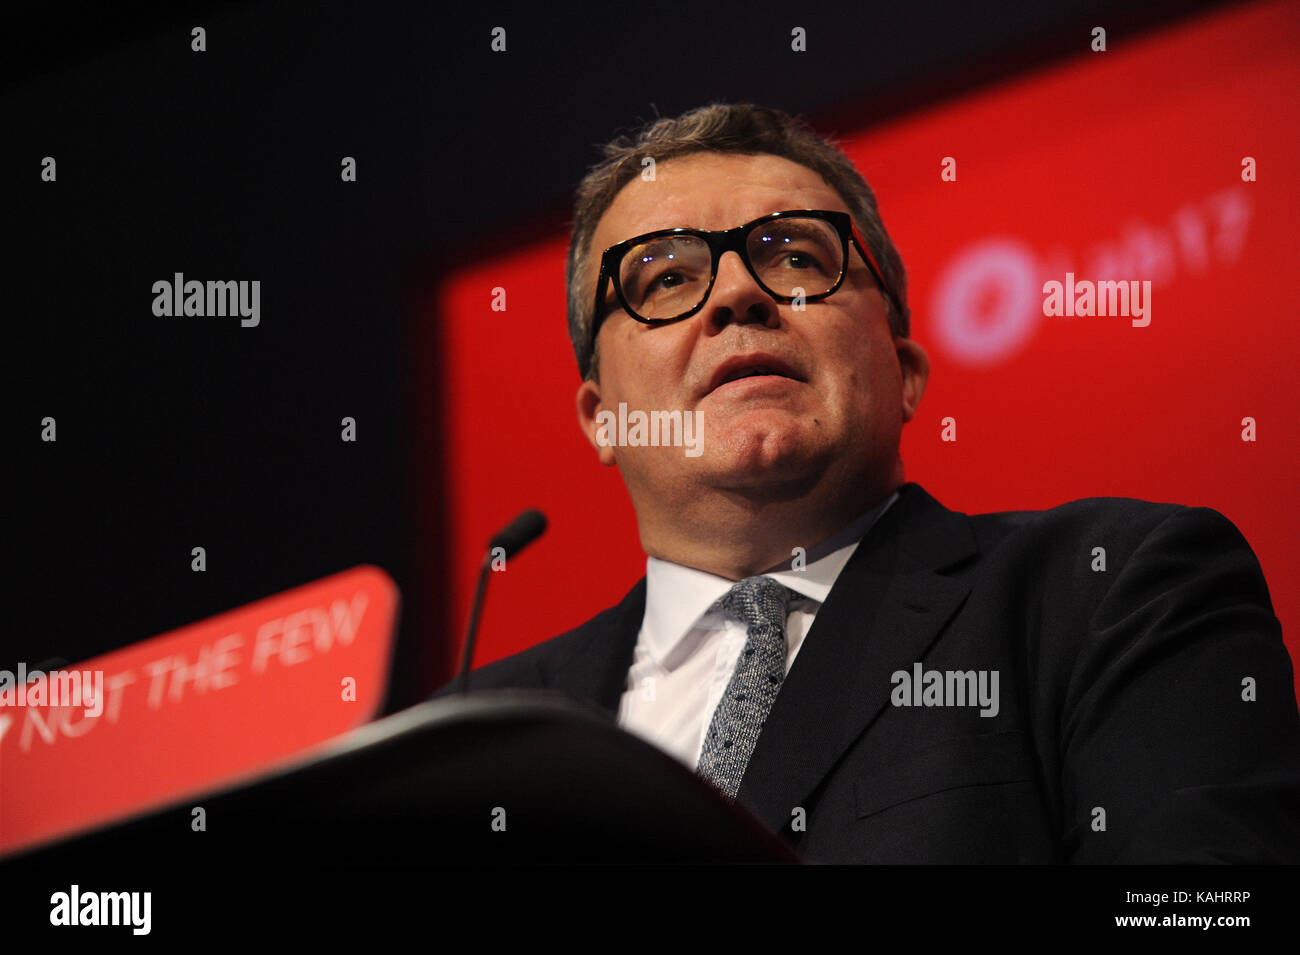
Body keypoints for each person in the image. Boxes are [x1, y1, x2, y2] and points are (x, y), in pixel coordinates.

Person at [434, 103, 1300, 863]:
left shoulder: (1115, 592)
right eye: (666, 278)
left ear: (907, 367)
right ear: (597, 416)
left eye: (800, 259)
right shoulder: (470, 739)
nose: (737, 294)